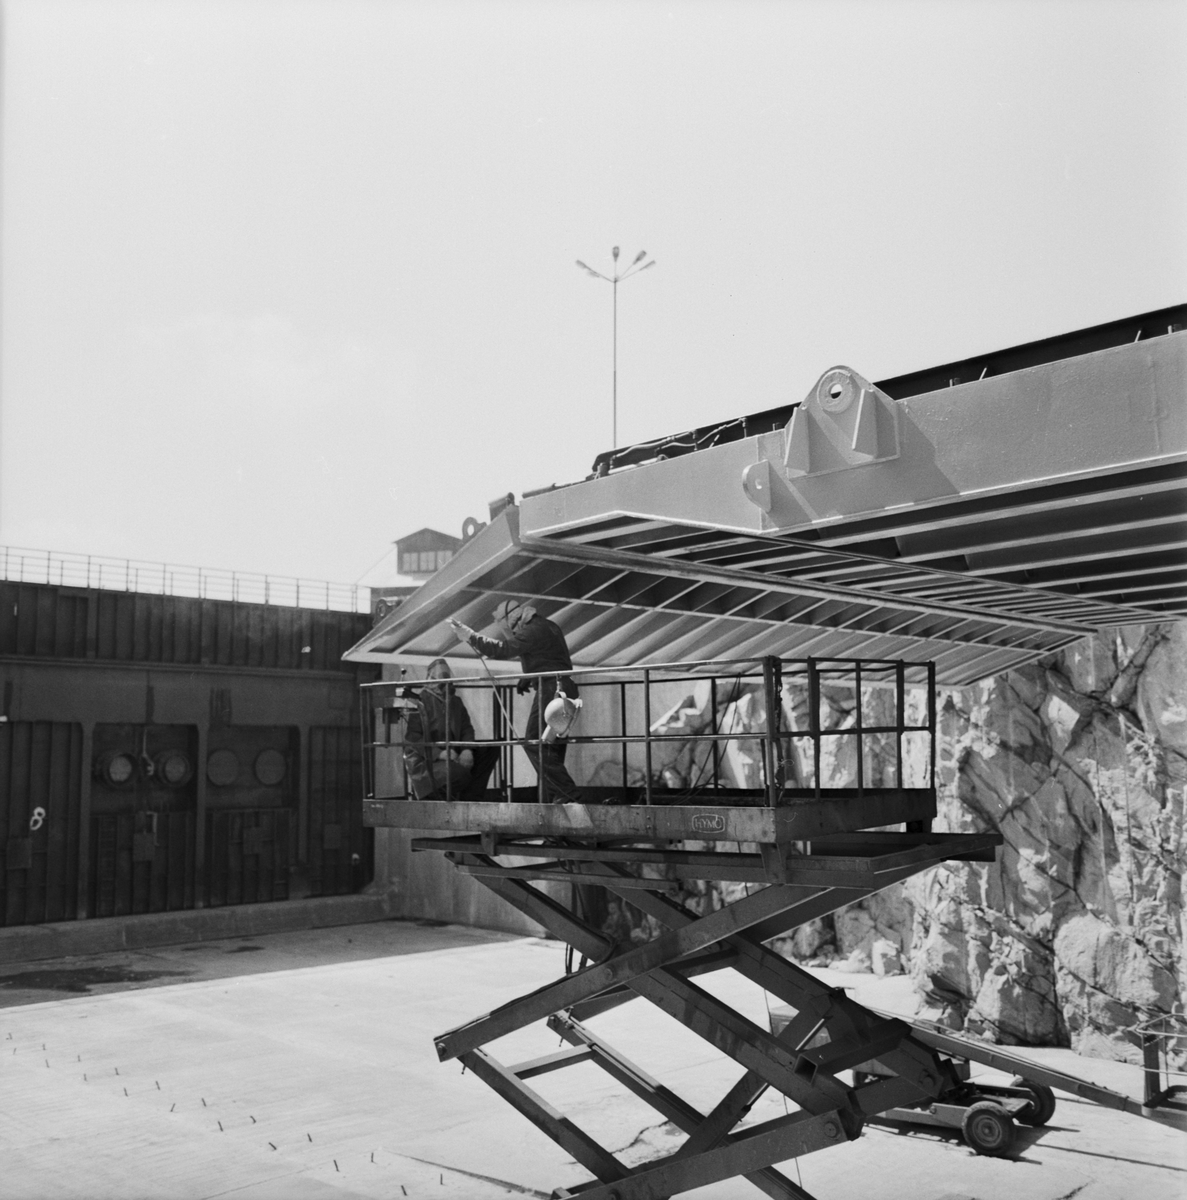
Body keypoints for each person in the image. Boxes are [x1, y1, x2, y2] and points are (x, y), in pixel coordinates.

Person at [451, 601, 581, 803]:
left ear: (510, 618)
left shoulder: (531, 631)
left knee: (534, 743)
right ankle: (558, 798)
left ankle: (567, 794)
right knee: (550, 747)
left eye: (501, 622)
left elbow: (502, 649)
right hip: (564, 688)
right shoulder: (547, 625)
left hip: (551, 690)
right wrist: (529, 677)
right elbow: (548, 657)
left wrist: (471, 636)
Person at [403, 658, 499, 801]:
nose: (444, 683)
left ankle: (471, 797)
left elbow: (466, 728)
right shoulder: (420, 702)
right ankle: (455, 797)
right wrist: (440, 754)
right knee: (459, 773)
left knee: (491, 750)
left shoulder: (456, 702)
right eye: (440, 678)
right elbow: (414, 739)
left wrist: (467, 750)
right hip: (427, 762)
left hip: (454, 754)